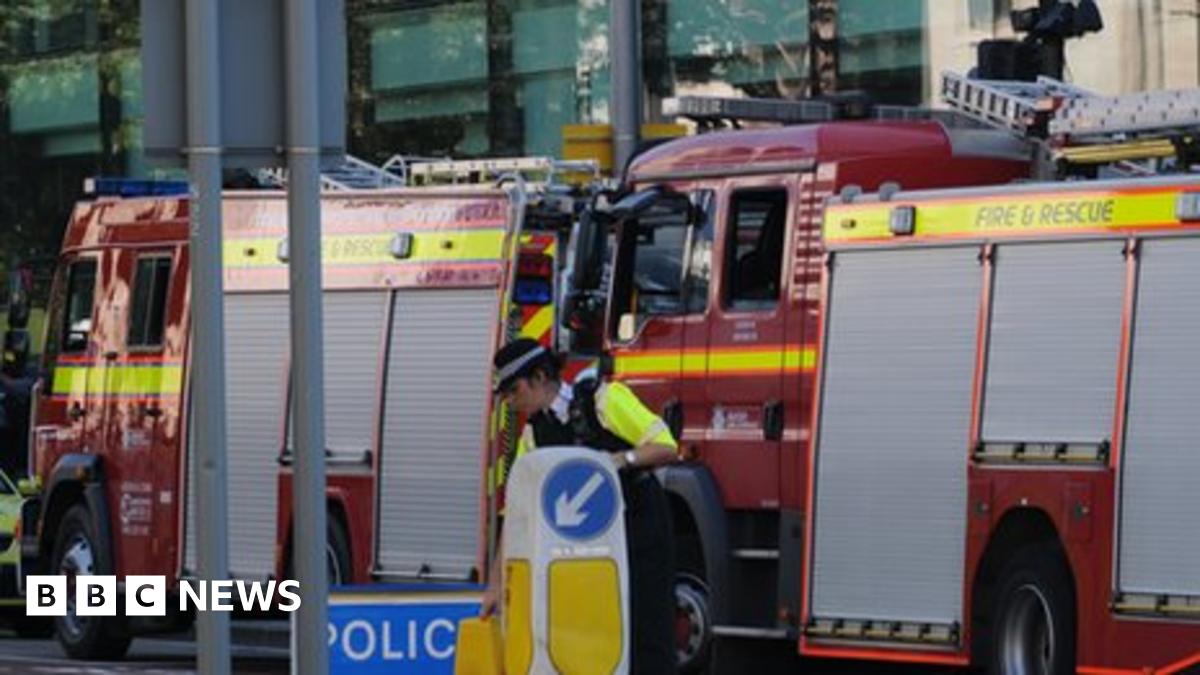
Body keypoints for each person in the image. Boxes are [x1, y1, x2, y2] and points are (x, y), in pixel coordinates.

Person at [481, 337, 678, 674]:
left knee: (647, 636)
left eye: (514, 391)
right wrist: (496, 584)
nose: (512, 403)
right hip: (591, 552)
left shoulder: (604, 399)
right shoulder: (535, 434)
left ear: (540, 377)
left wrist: (618, 460)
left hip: (641, 536)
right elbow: (515, 514)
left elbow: (666, 446)